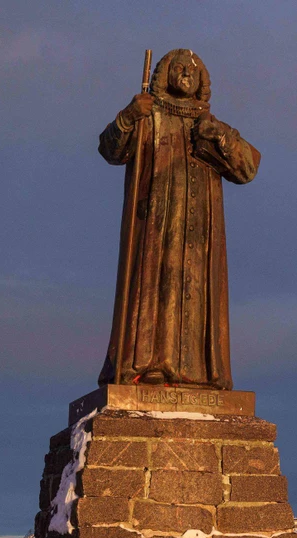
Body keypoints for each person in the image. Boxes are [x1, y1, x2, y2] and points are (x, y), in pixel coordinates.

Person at [98, 49, 260, 389]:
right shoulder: (147, 116)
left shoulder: (209, 125)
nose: (187, 72)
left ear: (203, 81)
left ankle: (199, 372)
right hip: (156, 225)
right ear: (163, 75)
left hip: (200, 230)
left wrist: (218, 135)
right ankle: (150, 365)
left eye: (194, 68)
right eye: (179, 67)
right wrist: (128, 116)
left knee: (196, 293)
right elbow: (110, 149)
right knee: (157, 287)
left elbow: (248, 169)